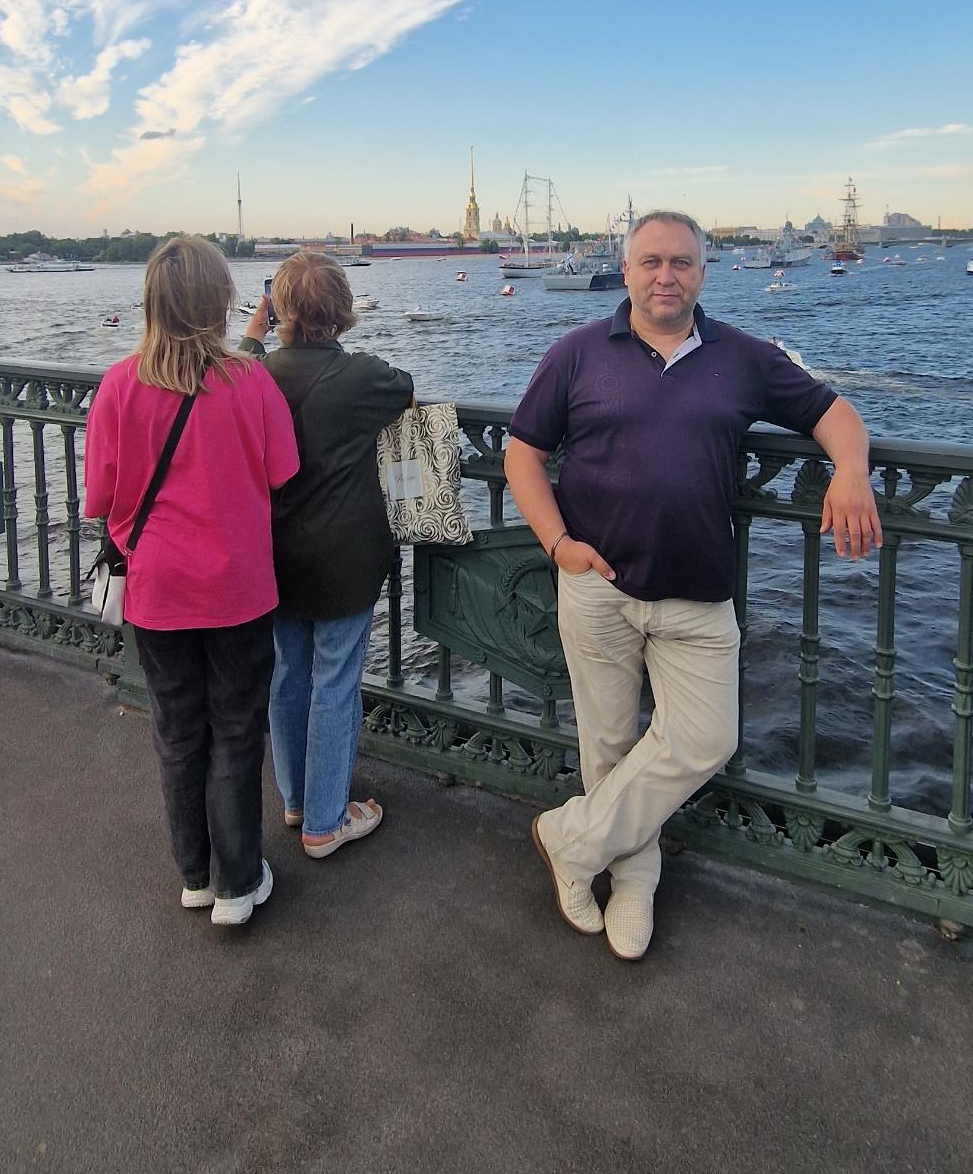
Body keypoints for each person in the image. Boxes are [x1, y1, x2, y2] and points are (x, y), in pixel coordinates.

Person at [504, 209, 880, 961]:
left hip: (696, 592)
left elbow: (834, 414)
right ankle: (633, 882)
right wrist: (558, 545)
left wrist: (850, 470)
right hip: (598, 586)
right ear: (627, 269)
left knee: (706, 738)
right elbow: (522, 453)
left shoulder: (743, 358)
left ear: (703, 273)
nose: (664, 275)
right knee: (608, 748)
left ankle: (568, 840)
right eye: (650, 262)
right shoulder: (576, 354)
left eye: (680, 262)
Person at [85, 235, 299, 926]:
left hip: (156, 586)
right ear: (220, 301)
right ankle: (239, 882)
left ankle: (195, 875)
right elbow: (279, 473)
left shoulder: (119, 383)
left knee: (178, 731)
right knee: (236, 730)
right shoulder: (250, 380)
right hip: (237, 584)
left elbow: (101, 495)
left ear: (151, 301)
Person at [237, 251, 412, 860]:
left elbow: (237, 365)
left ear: (277, 307)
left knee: (288, 673)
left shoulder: (252, 374)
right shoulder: (361, 376)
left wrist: (255, 334)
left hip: (273, 553)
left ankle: (295, 798)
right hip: (344, 555)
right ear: (342, 310)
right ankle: (326, 819)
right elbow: (404, 388)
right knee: (335, 680)